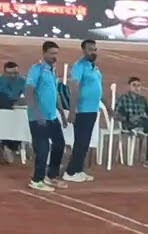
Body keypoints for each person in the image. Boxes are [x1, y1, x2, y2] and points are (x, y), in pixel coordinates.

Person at [25, 41, 67, 192]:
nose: (54, 56)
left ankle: (51, 175)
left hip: (51, 116)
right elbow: (29, 92)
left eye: (56, 53)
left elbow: (55, 94)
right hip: (38, 117)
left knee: (59, 144)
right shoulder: (36, 70)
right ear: (44, 53)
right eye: (51, 53)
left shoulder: (52, 71)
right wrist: (36, 114)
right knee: (42, 148)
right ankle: (36, 179)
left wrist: (61, 112)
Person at [64, 40, 102, 183]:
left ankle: (79, 170)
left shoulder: (94, 68)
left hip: (92, 110)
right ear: (83, 50)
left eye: (95, 49)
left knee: (85, 142)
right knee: (80, 142)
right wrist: (73, 110)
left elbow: (98, 88)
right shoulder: (79, 66)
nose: (93, 52)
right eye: (90, 49)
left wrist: (108, 107)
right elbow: (74, 88)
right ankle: (70, 171)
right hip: (83, 110)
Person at [113, 76, 148, 169]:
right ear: (129, 86)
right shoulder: (123, 98)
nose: (137, 88)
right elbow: (116, 114)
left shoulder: (143, 99)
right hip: (130, 123)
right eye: (134, 85)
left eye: (138, 85)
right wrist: (127, 118)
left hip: (142, 122)